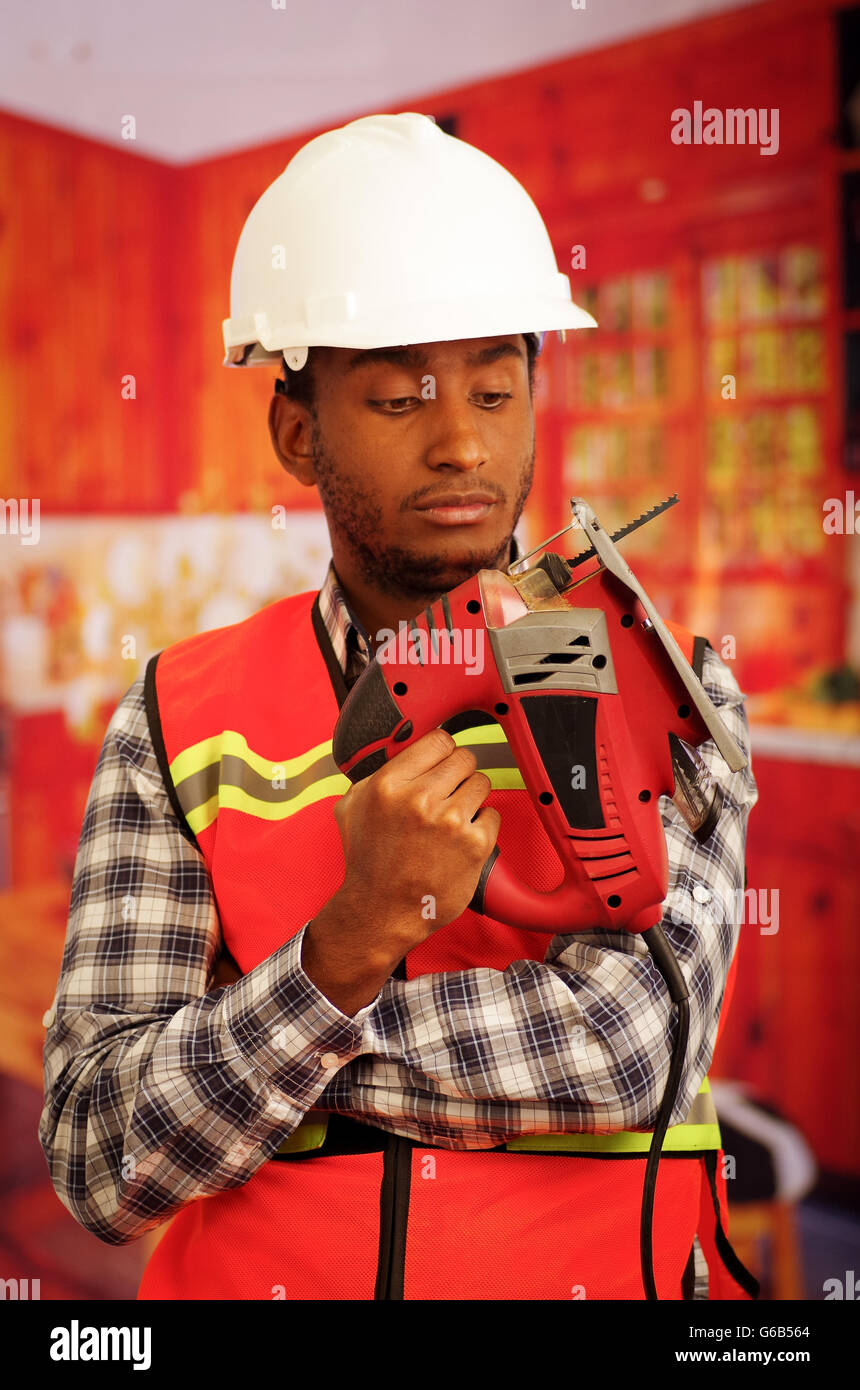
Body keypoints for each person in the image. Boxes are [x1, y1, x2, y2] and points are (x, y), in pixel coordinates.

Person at [40, 112, 759, 1300]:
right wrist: (351, 937)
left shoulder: (663, 677)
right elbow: (101, 1156)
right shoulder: (174, 713)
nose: (459, 445)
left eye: (494, 389)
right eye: (396, 402)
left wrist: (261, 1041)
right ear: (295, 429)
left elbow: (625, 1047)